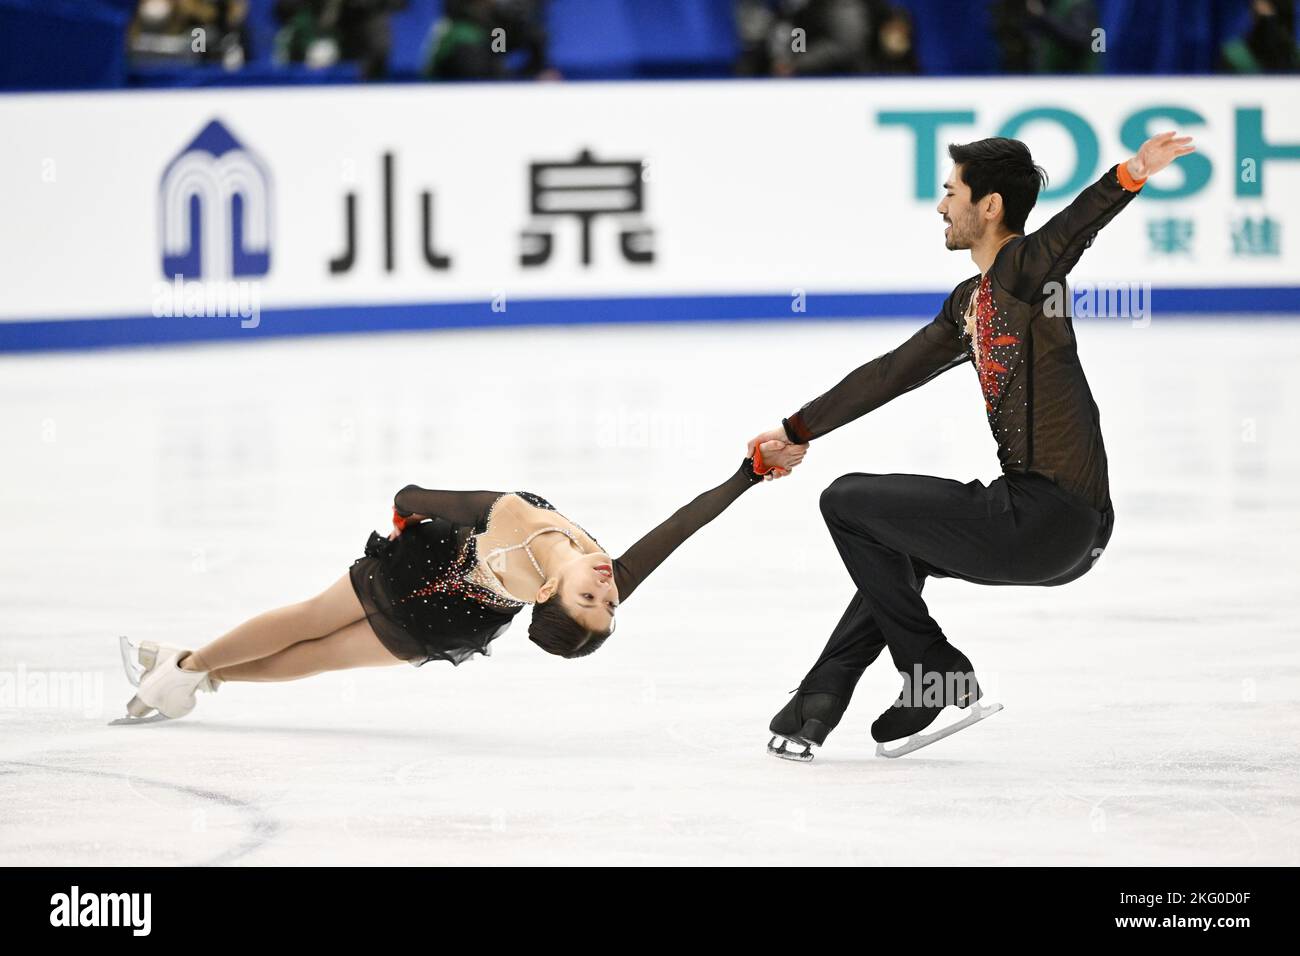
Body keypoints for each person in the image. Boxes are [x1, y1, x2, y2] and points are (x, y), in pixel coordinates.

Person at [750, 131, 1196, 759]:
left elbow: (1070, 232)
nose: (940, 207)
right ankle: (820, 700)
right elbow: (889, 374)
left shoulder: (1022, 272)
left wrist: (1130, 174)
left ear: (989, 206)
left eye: (950, 192)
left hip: (1048, 519)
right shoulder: (971, 304)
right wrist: (794, 431)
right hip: (1063, 529)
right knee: (894, 550)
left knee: (845, 501)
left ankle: (932, 666)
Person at [115, 441, 806, 723]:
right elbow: (683, 527)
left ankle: (188, 669)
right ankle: (196, 679)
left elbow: (416, 493)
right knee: (314, 640)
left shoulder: (513, 521)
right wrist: (749, 474)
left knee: (312, 634)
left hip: (425, 585)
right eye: (610, 601)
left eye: (590, 600)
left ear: (546, 595)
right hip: (451, 611)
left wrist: (399, 515)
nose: (605, 585)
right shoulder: (603, 567)